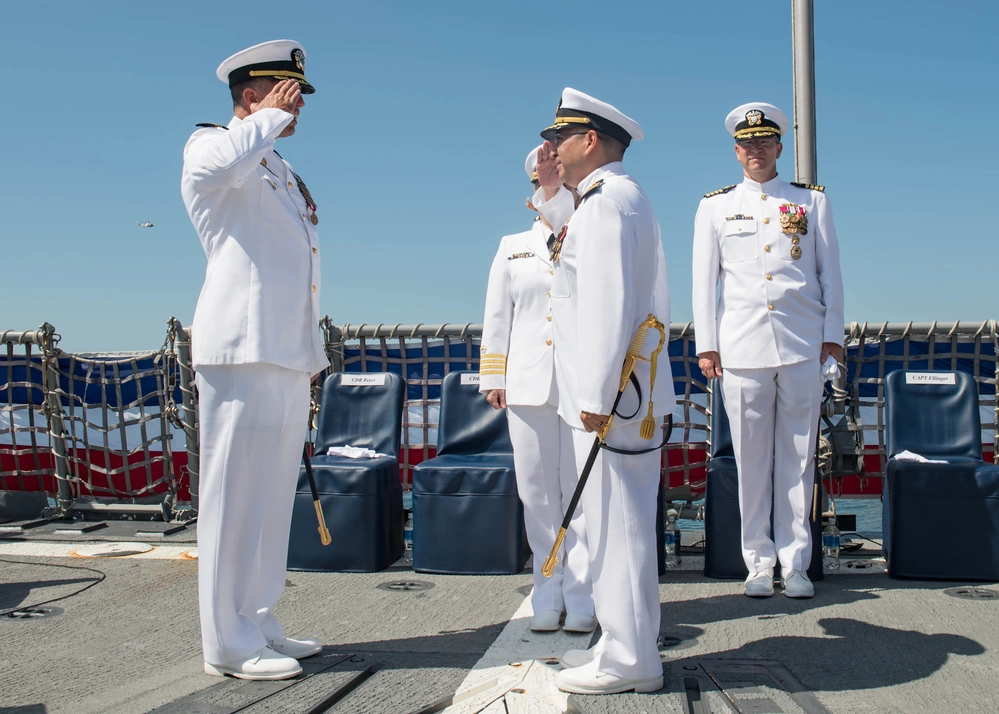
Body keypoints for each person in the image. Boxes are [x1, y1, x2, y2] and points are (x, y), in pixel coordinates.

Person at [181, 39, 328, 680]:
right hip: (240, 347)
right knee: (234, 495)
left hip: (284, 349)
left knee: (270, 496)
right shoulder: (211, 146)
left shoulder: (279, 170)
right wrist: (265, 119)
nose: (298, 109)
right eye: (289, 94)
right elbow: (216, 170)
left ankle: (259, 619)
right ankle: (226, 643)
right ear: (253, 92)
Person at [533, 88, 676, 695]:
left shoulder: (608, 203)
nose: (552, 150)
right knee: (618, 522)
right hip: (624, 394)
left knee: (619, 526)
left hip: (612, 398)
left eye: (561, 139)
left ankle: (630, 658)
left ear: (589, 141)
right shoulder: (611, 199)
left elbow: (609, 305)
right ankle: (625, 644)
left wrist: (592, 394)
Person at [691, 102, 844, 599]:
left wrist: (833, 335)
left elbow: (829, 273)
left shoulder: (810, 202)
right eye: (747, 144)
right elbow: (704, 283)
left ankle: (795, 562)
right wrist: (707, 345)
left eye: (765, 142)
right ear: (737, 151)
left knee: (798, 457)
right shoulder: (715, 206)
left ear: (780, 147)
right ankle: (758, 562)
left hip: (801, 343)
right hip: (741, 348)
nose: (756, 150)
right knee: (751, 460)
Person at [480, 146, 594, 634]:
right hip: (526, 385)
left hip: (578, 384)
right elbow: (496, 315)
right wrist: (494, 377)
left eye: (559, 181)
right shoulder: (512, 246)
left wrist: (559, 191)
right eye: (541, 183)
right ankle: (547, 588)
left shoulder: (586, 236)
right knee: (538, 495)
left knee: (581, 493)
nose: (549, 190)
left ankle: (583, 593)